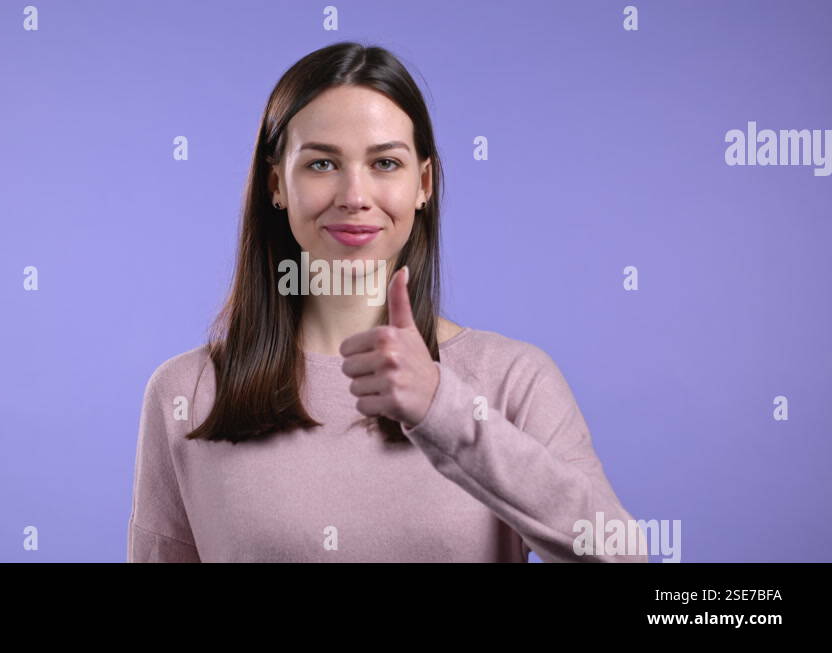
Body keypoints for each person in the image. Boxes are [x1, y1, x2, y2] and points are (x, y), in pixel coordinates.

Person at [126, 42, 646, 563]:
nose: (355, 195)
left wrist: (443, 410)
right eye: (323, 163)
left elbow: (621, 555)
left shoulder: (513, 379)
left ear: (423, 183)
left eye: (385, 162)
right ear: (276, 184)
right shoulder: (186, 394)